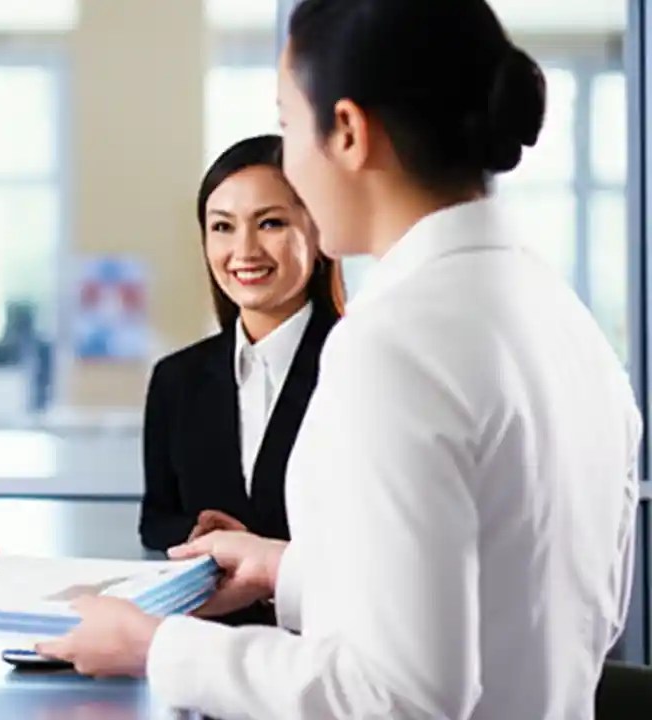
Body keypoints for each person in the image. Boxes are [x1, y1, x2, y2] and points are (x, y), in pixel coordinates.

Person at [38, 1, 641, 718]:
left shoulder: (394, 343)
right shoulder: (561, 316)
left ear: (348, 132)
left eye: (288, 124)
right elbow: (516, 598)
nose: (287, 155)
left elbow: (398, 697)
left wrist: (155, 647)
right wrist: (286, 569)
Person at [139, 134, 344, 628]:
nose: (243, 250)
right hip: (206, 650)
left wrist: (261, 551)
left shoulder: (357, 365)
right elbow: (156, 519)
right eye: (223, 228)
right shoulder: (177, 379)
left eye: (270, 223)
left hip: (329, 643)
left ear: (318, 234)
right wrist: (200, 531)